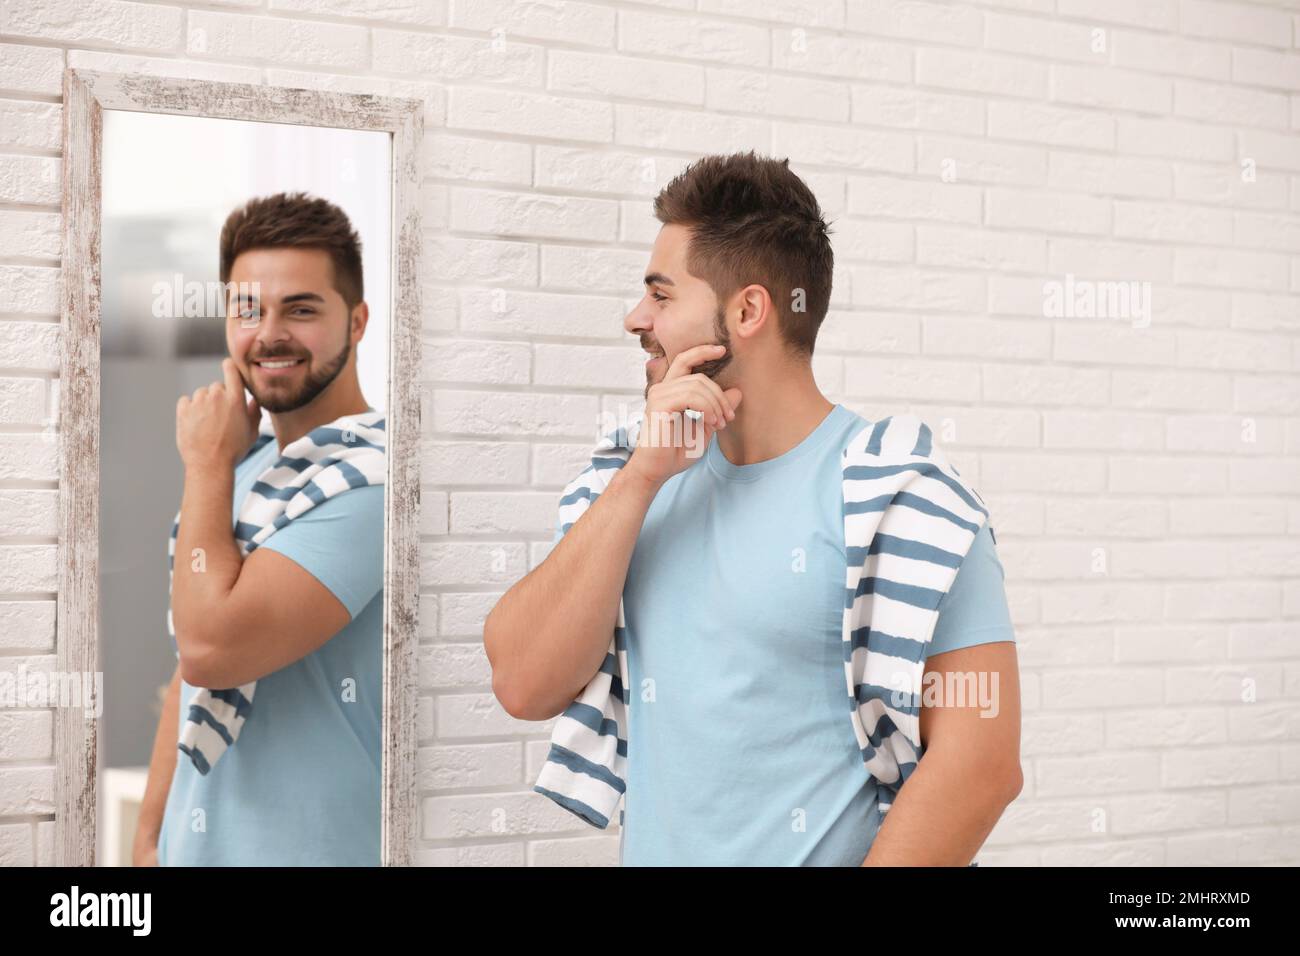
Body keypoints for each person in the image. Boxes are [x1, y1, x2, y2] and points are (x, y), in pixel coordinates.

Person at [485, 152, 1022, 866]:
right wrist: (643, 476)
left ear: (746, 311)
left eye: (662, 296)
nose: (635, 318)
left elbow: (980, 767)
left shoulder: (905, 498)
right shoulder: (631, 479)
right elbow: (523, 683)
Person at [134, 193, 386, 866]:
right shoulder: (239, 467)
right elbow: (191, 669)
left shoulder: (376, 482)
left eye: (301, 309)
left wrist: (206, 464)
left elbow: (216, 646)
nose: (269, 333)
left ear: (357, 322)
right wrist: (149, 840)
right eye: (249, 309)